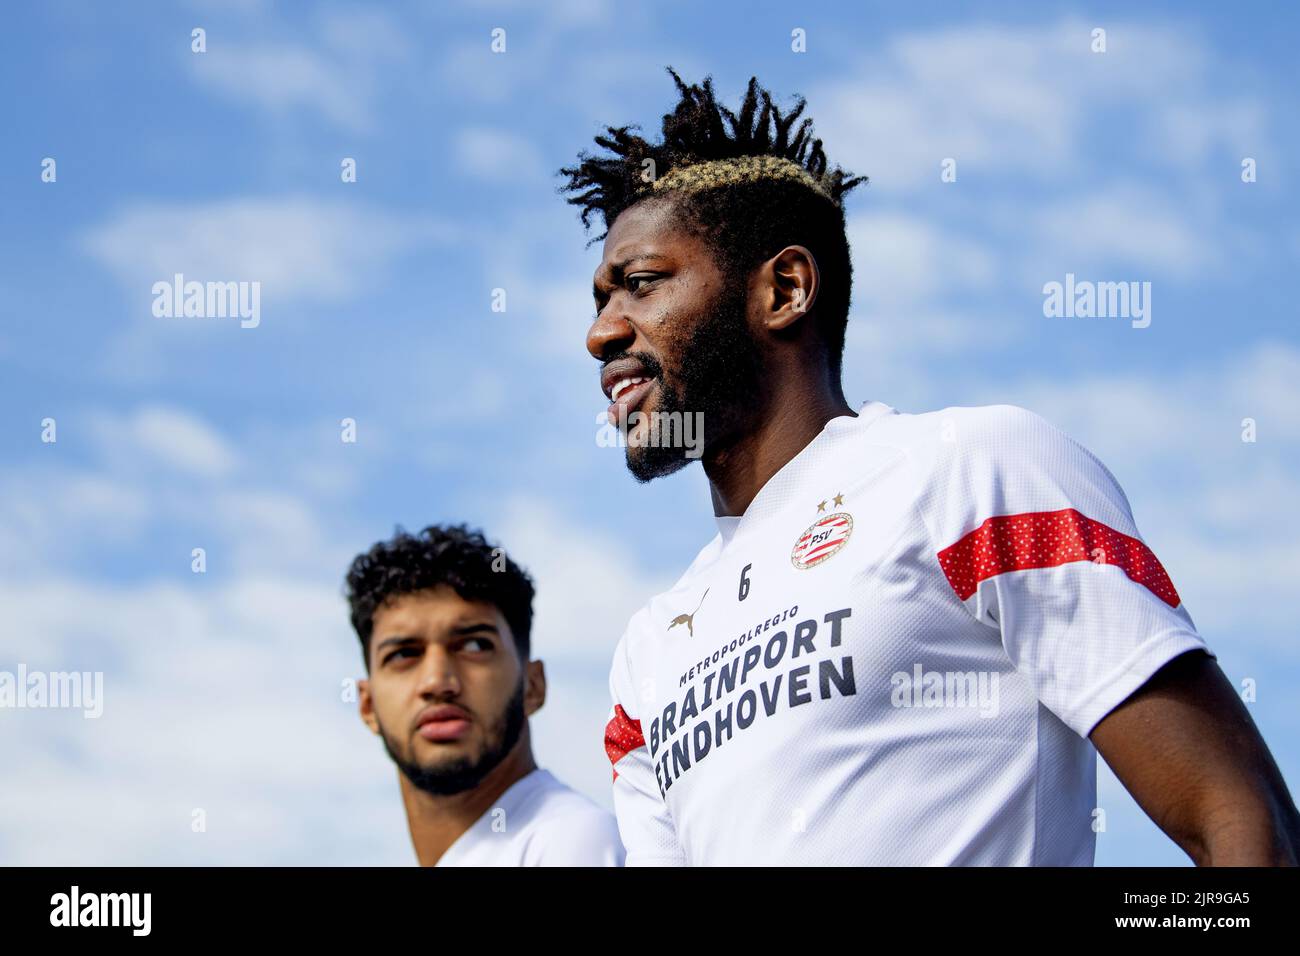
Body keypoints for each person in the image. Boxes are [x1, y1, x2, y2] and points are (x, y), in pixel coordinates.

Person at [557, 67, 1300, 865]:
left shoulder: (970, 470)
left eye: (639, 285)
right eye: (600, 299)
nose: (602, 333)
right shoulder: (647, 653)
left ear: (785, 289)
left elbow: (1236, 815)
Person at [345, 524, 624, 866]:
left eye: (475, 645)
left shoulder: (570, 844)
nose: (437, 681)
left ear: (532, 685)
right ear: (368, 704)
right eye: (404, 654)